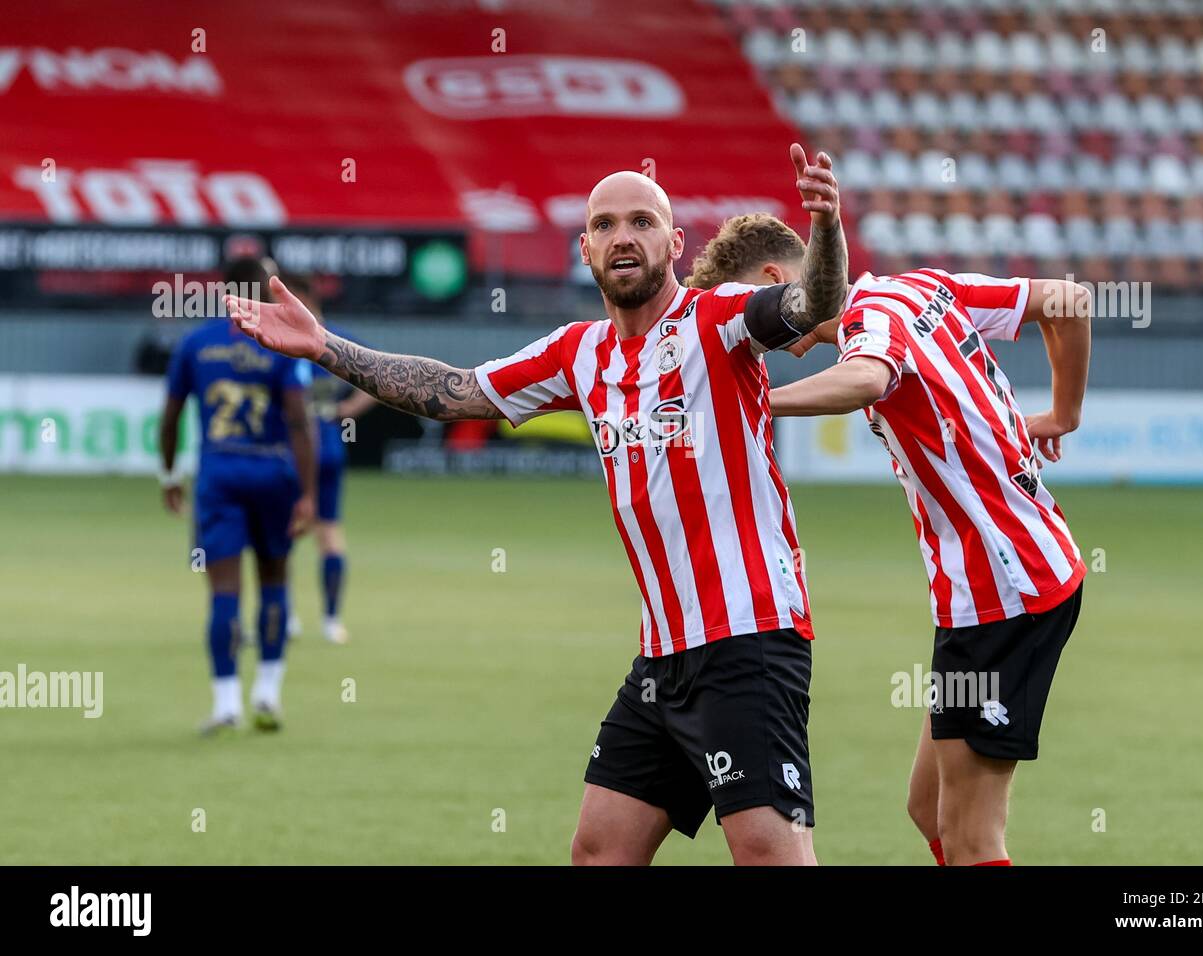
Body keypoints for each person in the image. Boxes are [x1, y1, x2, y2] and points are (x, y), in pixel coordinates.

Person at [224, 144, 847, 865]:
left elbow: (812, 304)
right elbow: (452, 388)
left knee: (770, 854)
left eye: (642, 222)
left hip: (749, 638)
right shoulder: (579, 353)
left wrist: (826, 226)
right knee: (598, 852)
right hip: (663, 654)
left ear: (674, 243)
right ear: (584, 247)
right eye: (605, 224)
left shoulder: (721, 320)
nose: (623, 236)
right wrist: (326, 347)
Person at [688, 212, 1091, 867]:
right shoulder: (921, 287)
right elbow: (1069, 300)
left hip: (1002, 594)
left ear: (776, 281)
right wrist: (1065, 413)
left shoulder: (865, 320)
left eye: (750, 318)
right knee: (927, 809)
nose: (752, 343)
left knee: (971, 840)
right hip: (1018, 572)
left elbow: (867, 379)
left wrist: (753, 404)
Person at [159, 257, 316, 735]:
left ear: (224, 288)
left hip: (219, 474)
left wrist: (169, 473)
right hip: (273, 471)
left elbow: (169, 418)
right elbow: (298, 420)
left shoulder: (196, 342)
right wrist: (308, 493)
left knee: (223, 590)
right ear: (266, 289)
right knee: (274, 580)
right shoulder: (280, 345)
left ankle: (226, 702)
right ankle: (267, 693)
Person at [280, 274, 377, 645]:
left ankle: (286, 617)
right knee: (329, 532)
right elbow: (376, 375)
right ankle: (331, 621)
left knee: (285, 533)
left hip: (293, 450)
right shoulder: (337, 338)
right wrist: (347, 408)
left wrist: (347, 408)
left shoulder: (287, 340)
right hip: (329, 445)